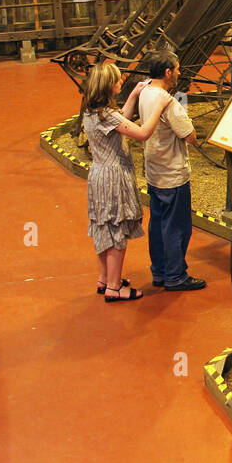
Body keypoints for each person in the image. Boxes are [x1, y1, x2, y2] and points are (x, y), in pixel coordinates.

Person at [79, 63, 170, 302]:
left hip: (99, 174)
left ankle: (104, 278)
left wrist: (132, 95)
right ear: (110, 86)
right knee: (117, 230)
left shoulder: (92, 110)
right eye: (119, 80)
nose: (122, 82)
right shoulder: (107, 114)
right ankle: (114, 286)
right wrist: (158, 108)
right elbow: (141, 133)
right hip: (114, 177)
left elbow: (120, 123)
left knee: (104, 227)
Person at [138, 51, 206, 291]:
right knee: (176, 226)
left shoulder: (144, 92)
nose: (179, 72)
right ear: (167, 73)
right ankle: (175, 276)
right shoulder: (169, 102)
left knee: (157, 223)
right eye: (176, 68)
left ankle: (160, 271)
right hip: (172, 174)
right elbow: (190, 136)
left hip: (154, 171)